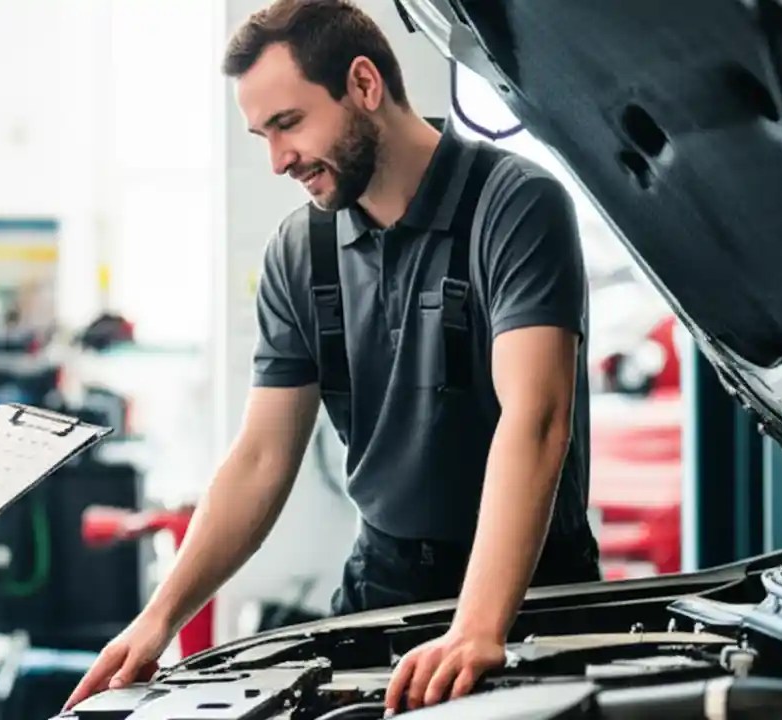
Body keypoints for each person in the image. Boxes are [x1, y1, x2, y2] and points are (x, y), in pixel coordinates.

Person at [66, 0, 600, 714]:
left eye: (288, 124)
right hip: (380, 589)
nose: (278, 160)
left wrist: (476, 626)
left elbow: (536, 419)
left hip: (532, 590)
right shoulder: (300, 250)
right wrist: (156, 620)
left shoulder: (515, 207)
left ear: (364, 85)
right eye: (261, 135)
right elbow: (260, 457)